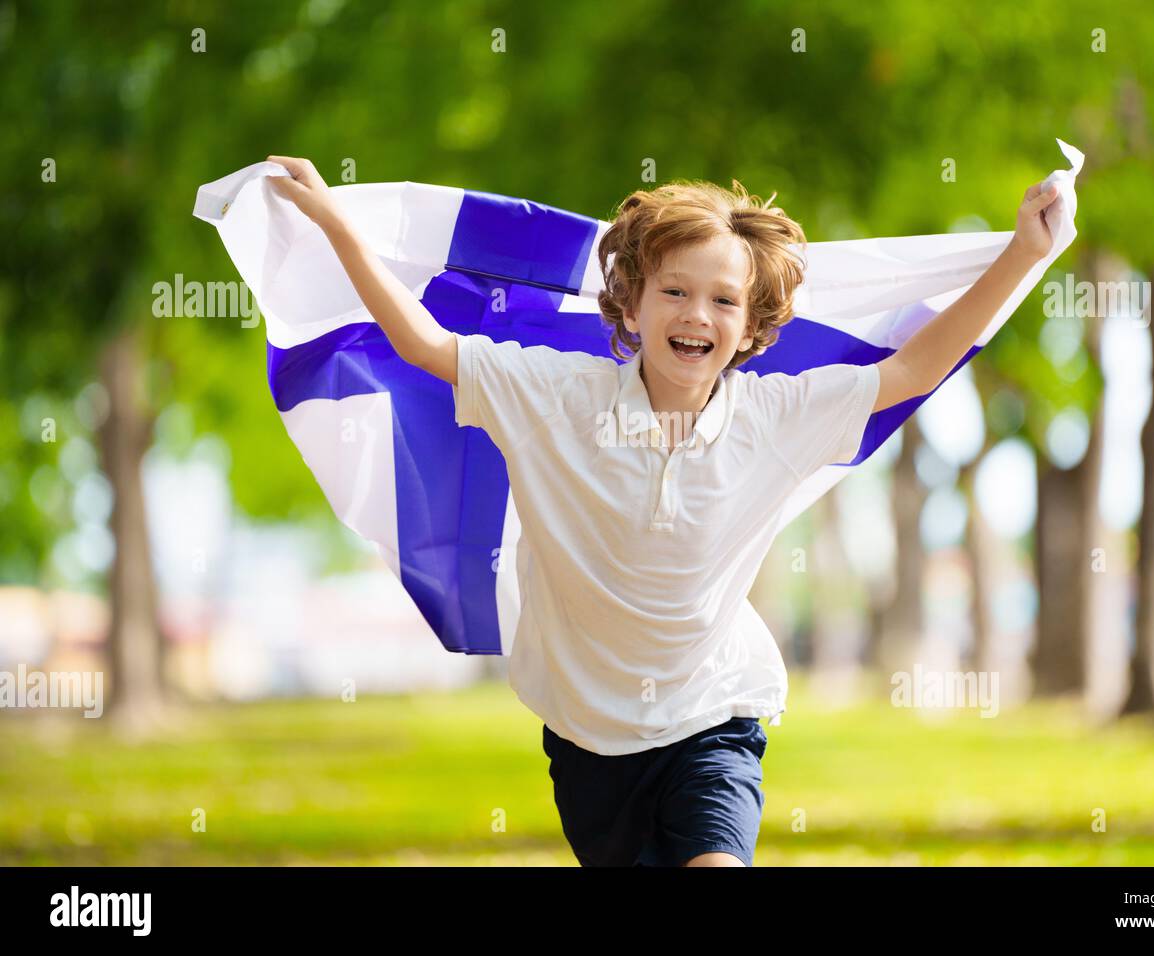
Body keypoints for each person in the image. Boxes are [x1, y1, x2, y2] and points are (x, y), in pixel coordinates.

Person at [265, 156, 1058, 866]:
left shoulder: (776, 417)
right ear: (632, 305)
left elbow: (914, 367)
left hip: (713, 718)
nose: (696, 316)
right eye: (673, 292)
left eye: (722, 300)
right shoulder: (554, 397)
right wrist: (337, 222)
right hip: (588, 740)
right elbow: (428, 346)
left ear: (750, 328)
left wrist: (1023, 251)